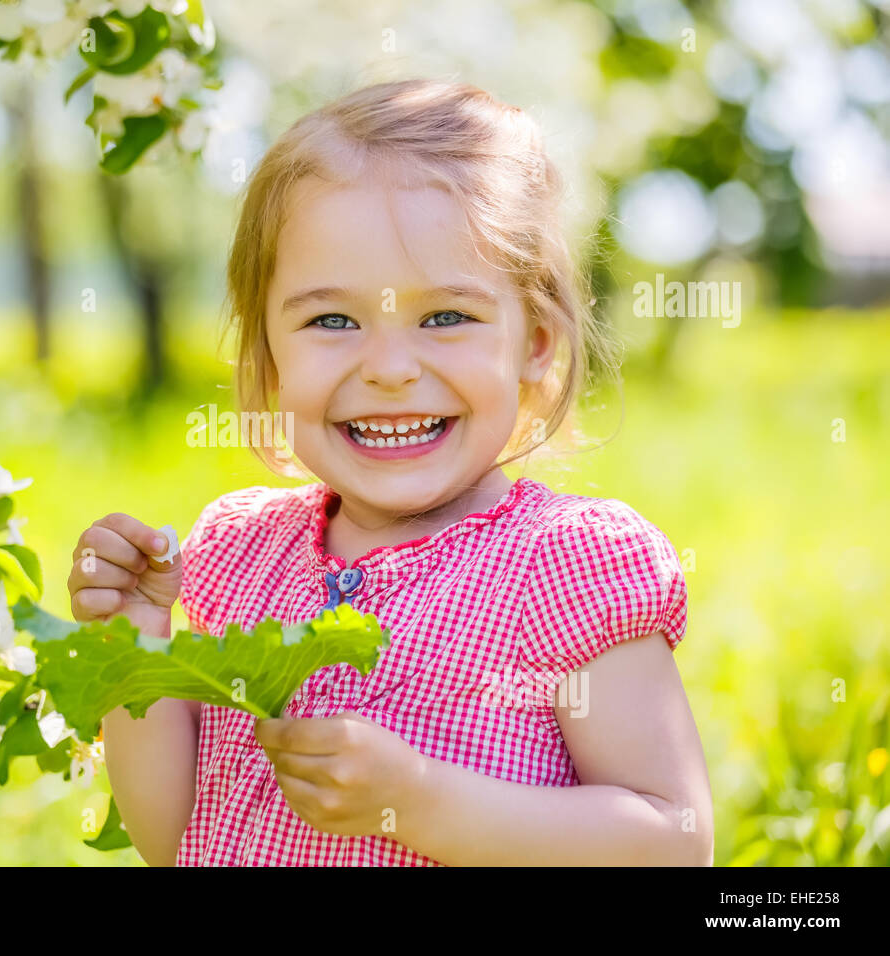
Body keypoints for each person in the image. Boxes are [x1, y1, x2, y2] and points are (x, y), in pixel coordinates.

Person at [68, 78, 712, 866]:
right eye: (331, 321)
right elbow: (176, 837)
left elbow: (673, 842)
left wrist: (415, 801)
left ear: (535, 342)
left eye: (446, 317)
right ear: (267, 357)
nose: (390, 369)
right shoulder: (237, 558)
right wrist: (137, 637)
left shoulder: (563, 568)